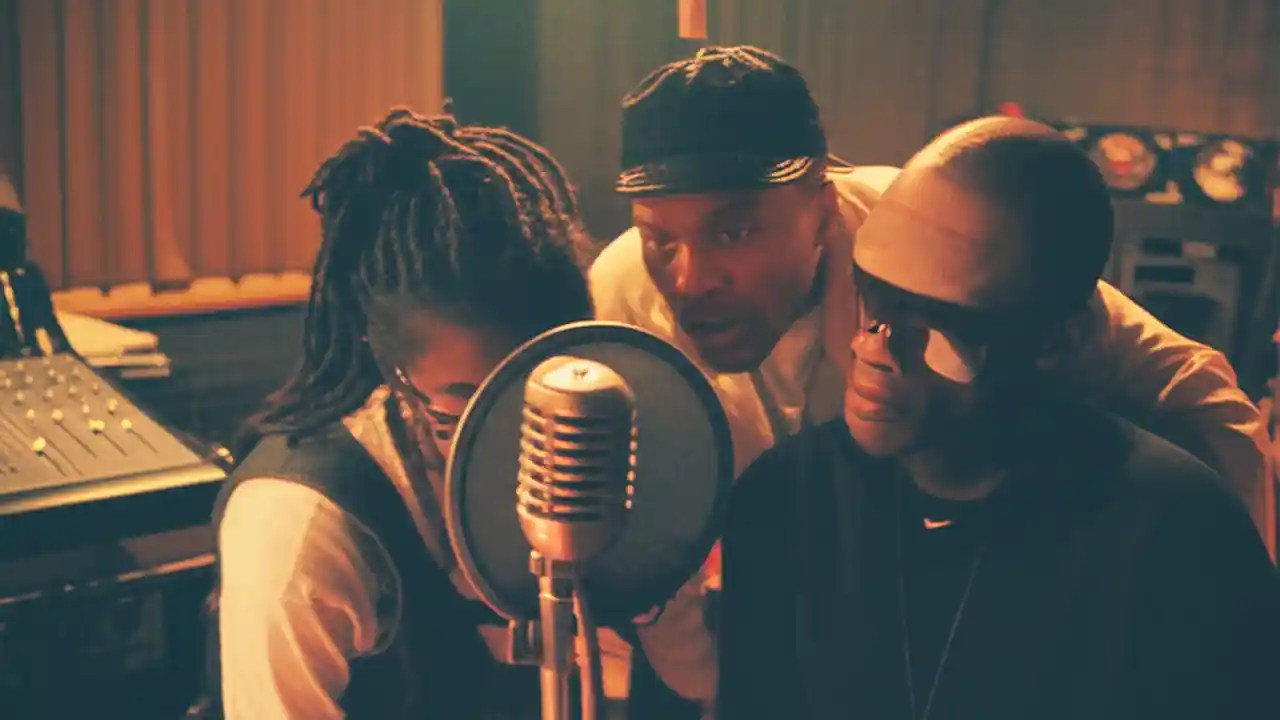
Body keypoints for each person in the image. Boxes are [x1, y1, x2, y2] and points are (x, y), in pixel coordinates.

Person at [589, 45, 1273, 708]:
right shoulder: (624, 304)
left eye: (733, 233)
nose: (690, 278)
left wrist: (1203, 573)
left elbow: (1185, 383)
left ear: (823, 212)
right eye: (660, 241)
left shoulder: (939, 222)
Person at [210, 108, 593, 719]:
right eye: (466, 406)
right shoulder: (299, 527)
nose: (510, 437)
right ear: (395, 371)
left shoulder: (581, 450)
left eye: (532, 393)